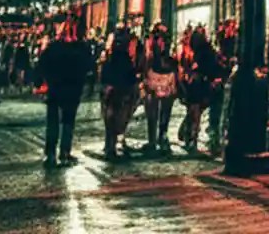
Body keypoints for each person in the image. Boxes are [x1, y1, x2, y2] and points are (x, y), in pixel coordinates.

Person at [35, 18, 93, 167]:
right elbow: (88, 66)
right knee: (68, 121)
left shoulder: (54, 47)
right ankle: (64, 152)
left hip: (55, 87)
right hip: (73, 88)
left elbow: (41, 65)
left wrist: (42, 81)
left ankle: (50, 154)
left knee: (53, 121)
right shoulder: (81, 48)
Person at [99, 25, 140, 160]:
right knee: (117, 117)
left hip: (114, 87)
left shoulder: (111, 56)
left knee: (110, 117)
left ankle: (110, 146)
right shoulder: (124, 57)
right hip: (120, 88)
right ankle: (112, 145)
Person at [141, 22, 178, 154]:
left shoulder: (154, 45)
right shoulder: (155, 45)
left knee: (157, 111)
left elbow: (147, 60)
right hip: (161, 75)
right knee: (157, 111)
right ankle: (158, 138)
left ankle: (158, 138)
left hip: (161, 75)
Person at [177, 26, 215, 153]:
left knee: (194, 110)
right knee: (195, 111)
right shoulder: (205, 51)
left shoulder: (199, 52)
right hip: (199, 84)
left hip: (196, 84)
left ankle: (190, 135)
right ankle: (191, 136)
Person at [206, 19, 236, 154]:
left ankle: (220, 135)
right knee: (217, 109)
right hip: (219, 80)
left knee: (225, 109)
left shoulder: (235, 43)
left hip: (227, 79)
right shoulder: (219, 47)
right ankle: (215, 136)